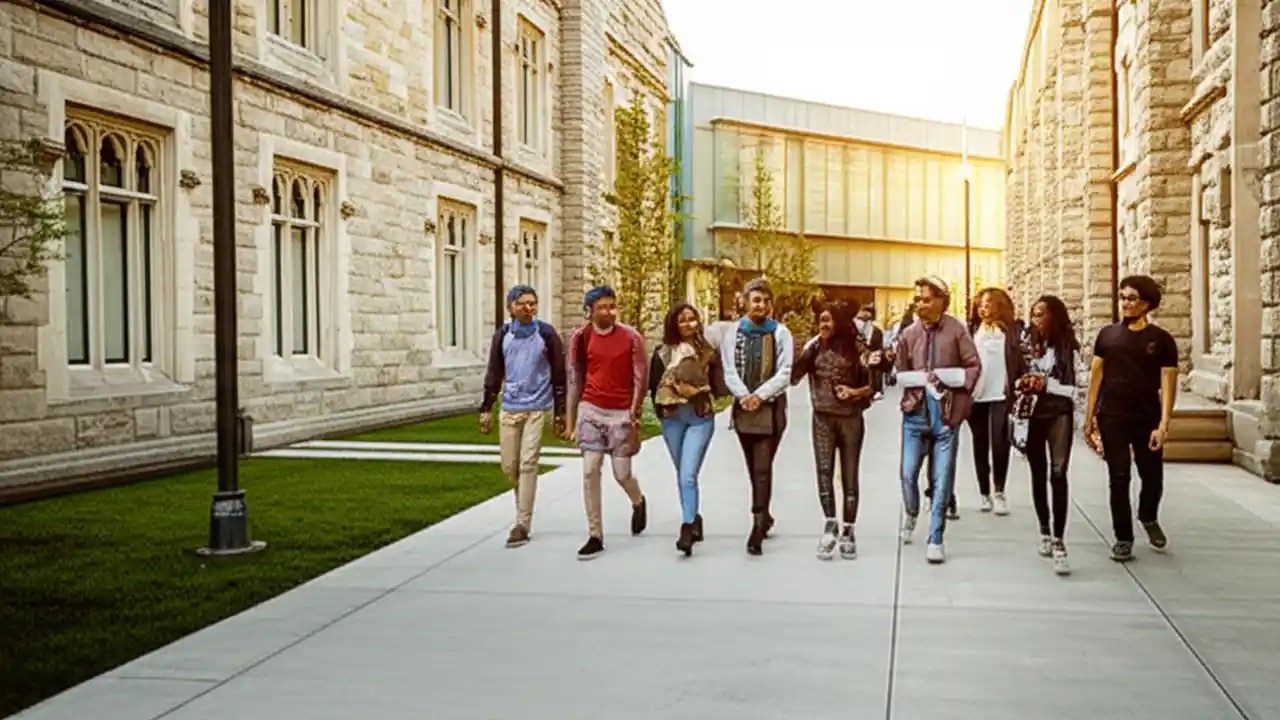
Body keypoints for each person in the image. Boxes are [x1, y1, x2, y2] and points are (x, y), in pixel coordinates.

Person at [884, 275, 981, 564]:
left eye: (926, 299)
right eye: (917, 299)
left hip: (946, 415)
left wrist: (955, 382)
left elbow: (974, 366)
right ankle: (912, 510)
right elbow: (898, 371)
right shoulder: (909, 333)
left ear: (941, 300)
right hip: (914, 414)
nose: (920, 304)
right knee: (907, 473)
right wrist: (909, 377)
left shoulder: (957, 330)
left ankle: (936, 537)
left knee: (942, 479)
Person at [1084, 275, 1179, 563]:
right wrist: (1089, 418)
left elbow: (1168, 382)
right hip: (1112, 415)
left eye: (1131, 298)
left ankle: (1148, 516)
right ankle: (1123, 538)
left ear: (1146, 304)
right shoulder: (1108, 335)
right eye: (1122, 297)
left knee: (1152, 477)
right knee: (1119, 477)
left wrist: (1163, 425)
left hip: (1146, 416)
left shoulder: (1161, 340)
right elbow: (1095, 377)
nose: (1125, 303)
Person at [478, 285, 567, 548]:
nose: (529, 308)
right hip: (510, 407)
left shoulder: (547, 334)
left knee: (528, 463)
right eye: (523, 304)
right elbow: (494, 372)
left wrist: (560, 412)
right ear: (511, 308)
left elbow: (560, 375)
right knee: (510, 466)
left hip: (537, 407)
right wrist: (486, 408)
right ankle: (522, 511)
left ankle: (522, 523)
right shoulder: (503, 336)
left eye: (533, 303)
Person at [564, 286, 649, 560]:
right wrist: (571, 420)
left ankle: (638, 501)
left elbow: (640, 377)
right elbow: (574, 379)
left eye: (612, 306)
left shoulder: (631, 337)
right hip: (590, 409)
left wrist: (634, 414)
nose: (608, 312)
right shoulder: (581, 337)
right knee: (590, 469)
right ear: (589, 310)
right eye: (602, 307)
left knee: (621, 474)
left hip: (620, 414)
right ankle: (595, 535)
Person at [792, 301, 873, 560]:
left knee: (849, 476)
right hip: (822, 419)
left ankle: (848, 529)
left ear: (838, 322)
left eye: (827, 320)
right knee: (824, 472)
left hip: (850, 420)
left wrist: (853, 392)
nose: (823, 325)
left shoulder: (856, 348)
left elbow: (874, 386)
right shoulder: (815, 348)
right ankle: (830, 524)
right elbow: (794, 376)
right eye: (820, 321)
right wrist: (806, 348)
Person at [721, 277, 794, 555]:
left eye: (765, 300)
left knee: (763, 466)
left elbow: (785, 371)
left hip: (771, 409)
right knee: (753, 467)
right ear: (746, 303)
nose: (760, 305)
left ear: (770, 305)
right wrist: (744, 396)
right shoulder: (734, 333)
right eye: (755, 300)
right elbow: (729, 369)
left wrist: (759, 396)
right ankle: (764, 513)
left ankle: (756, 526)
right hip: (743, 409)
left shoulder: (780, 333)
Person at [649, 302, 725, 557]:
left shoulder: (707, 351)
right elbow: (653, 386)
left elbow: (719, 384)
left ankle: (687, 528)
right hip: (672, 419)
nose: (688, 324)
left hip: (699, 417)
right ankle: (695, 517)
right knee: (682, 473)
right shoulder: (662, 353)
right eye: (682, 320)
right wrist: (661, 413)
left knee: (687, 475)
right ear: (674, 323)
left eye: (692, 319)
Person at [1015, 294, 1079, 575]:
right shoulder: (1025, 345)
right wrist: (1024, 381)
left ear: (1055, 316)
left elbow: (1074, 390)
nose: (1036, 320)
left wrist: (1046, 384)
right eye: (1033, 314)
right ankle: (1044, 528)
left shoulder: (1068, 347)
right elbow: (1014, 379)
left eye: (1042, 314)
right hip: (1032, 413)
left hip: (1058, 412)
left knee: (1058, 472)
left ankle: (1059, 540)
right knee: (1038, 473)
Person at [966, 287, 1026, 516]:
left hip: (1001, 395)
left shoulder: (1012, 331)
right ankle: (984, 493)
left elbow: (1020, 362)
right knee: (979, 445)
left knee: (1001, 445)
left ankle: (999, 491)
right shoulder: (972, 329)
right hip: (977, 397)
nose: (983, 308)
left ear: (999, 305)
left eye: (988, 303)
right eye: (980, 304)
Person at [856, 304, 885, 399]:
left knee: (875, 371)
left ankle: (877, 390)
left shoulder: (876, 330)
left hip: (873, 353)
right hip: (863, 356)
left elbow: (879, 346)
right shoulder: (856, 328)